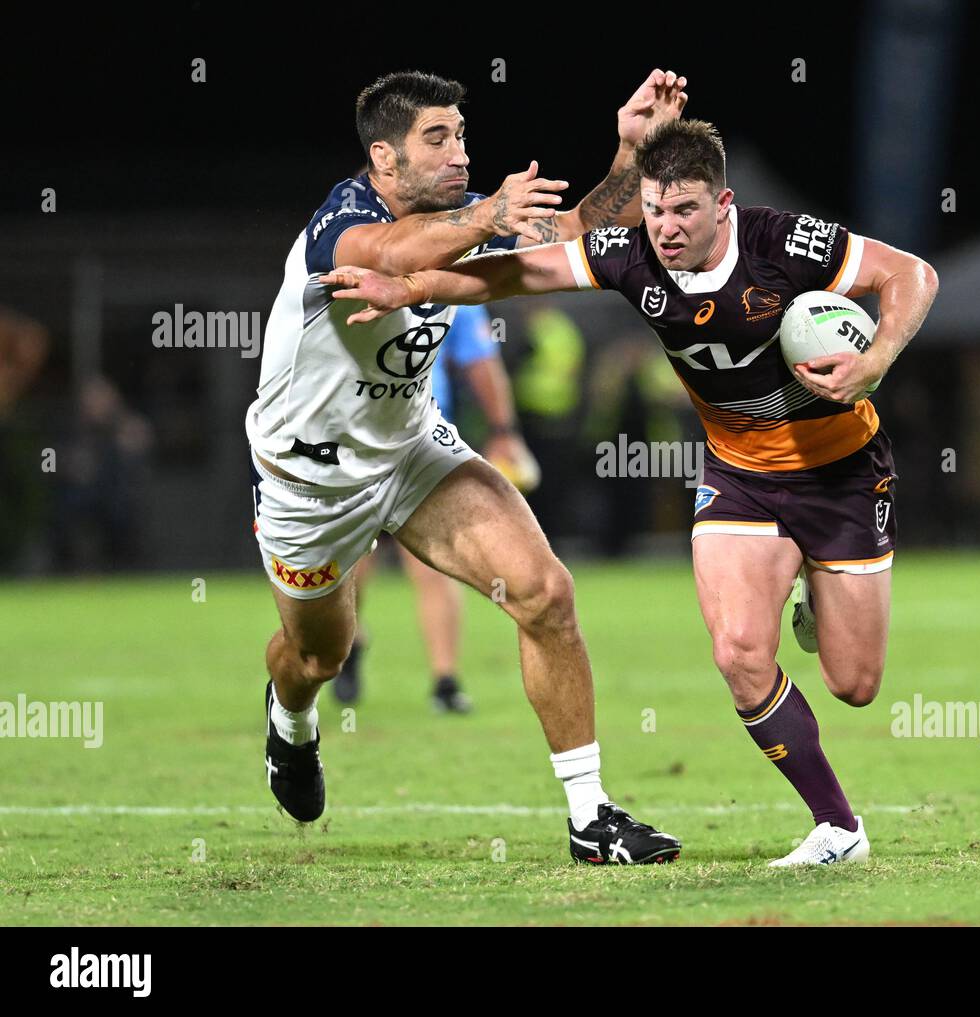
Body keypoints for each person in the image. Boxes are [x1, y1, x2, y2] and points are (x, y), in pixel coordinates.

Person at [321, 119, 940, 866]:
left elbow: (913, 274)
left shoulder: (785, 243)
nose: (668, 228)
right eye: (655, 209)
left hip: (842, 472)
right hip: (740, 475)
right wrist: (412, 284)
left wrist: (874, 360)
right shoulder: (628, 254)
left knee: (855, 683)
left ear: (724, 205)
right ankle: (838, 826)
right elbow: (517, 273)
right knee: (740, 652)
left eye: (685, 211)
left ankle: (814, 583)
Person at [246, 69, 688, 865]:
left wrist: (627, 157)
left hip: (414, 453)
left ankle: (591, 817)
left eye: (461, 135)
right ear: (384, 158)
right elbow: (387, 251)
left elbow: (555, 245)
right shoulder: (343, 220)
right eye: (437, 139)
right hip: (312, 482)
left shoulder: (459, 213)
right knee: (321, 654)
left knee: (545, 592)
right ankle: (290, 721)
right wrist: (485, 213)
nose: (459, 153)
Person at [337, 302, 539, 714]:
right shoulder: (356, 273)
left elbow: (481, 362)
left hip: (423, 439)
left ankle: (445, 680)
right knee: (353, 562)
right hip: (355, 437)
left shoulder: (456, 289)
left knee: (432, 560)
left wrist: (502, 431)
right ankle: (348, 644)